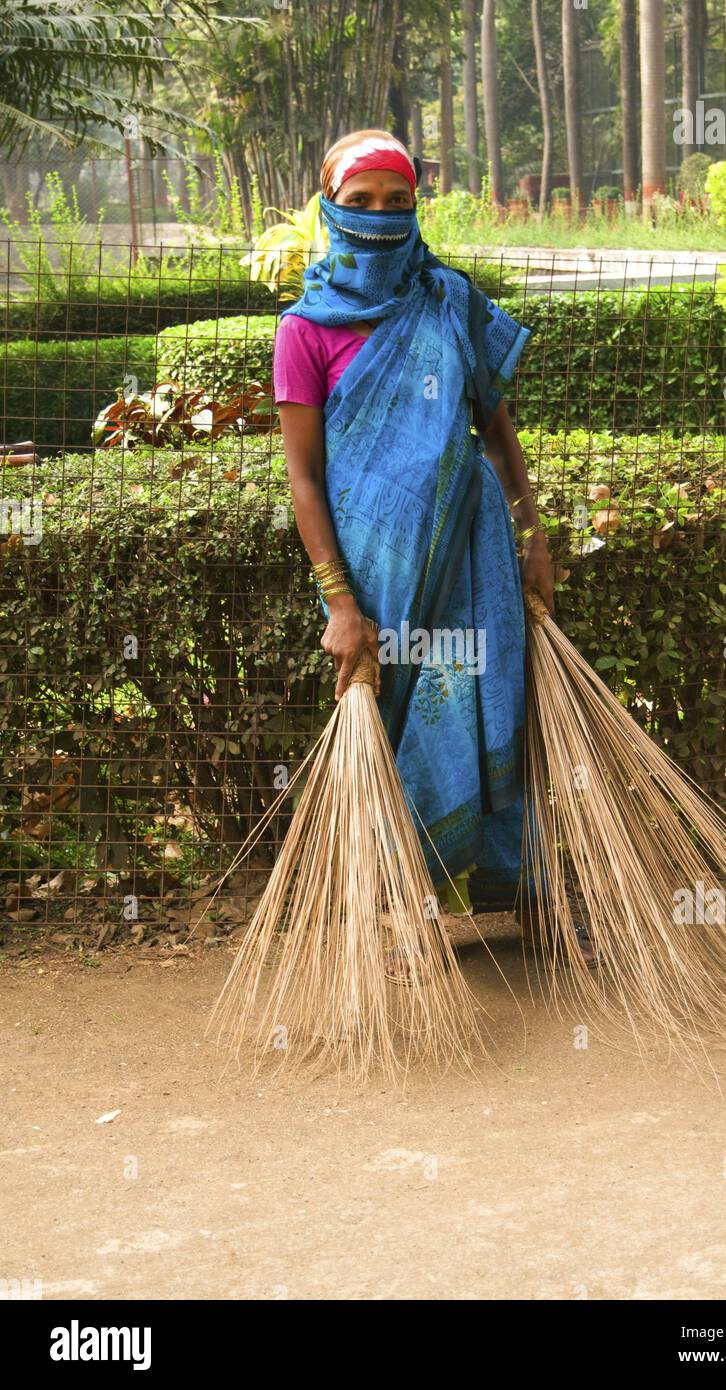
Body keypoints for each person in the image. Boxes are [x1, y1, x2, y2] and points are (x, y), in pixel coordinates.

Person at [273, 129, 591, 979]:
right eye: (361, 201)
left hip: (477, 560)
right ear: (330, 208)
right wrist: (340, 601)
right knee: (395, 723)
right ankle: (405, 910)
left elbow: (497, 436)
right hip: (375, 575)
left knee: (495, 707)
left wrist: (534, 539)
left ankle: (527, 896)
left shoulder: (450, 302)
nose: (380, 217)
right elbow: (304, 480)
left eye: (398, 201)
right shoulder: (303, 331)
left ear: (417, 208)